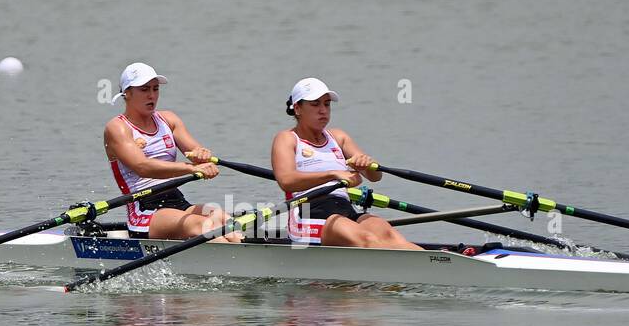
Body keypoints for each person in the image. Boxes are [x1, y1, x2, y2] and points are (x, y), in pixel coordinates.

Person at [271, 78, 422, 249]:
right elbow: (287, 181)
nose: (323, 110)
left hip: (344, 209)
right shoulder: (286, 139)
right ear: (297, 108)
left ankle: (434, 265)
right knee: (368, 240)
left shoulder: (338, 137)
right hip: (307, 214)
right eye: (315, 104)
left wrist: (367, 164)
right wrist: (333, 174)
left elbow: (375, 176)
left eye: (327, 104)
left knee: (389, 234)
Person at [104, 63, 241, 241]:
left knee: (222, 217)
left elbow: (195, 153)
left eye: (155, 89)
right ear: (127, 93)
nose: (152, 95)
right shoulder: (118, 128)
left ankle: (248, 258)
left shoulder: (168, 119)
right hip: (144, 209)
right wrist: (191, 169)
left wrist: (202, 155)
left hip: (177, 201)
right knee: (202, 225)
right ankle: (234, 263)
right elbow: (143, 167)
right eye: (144, 89)